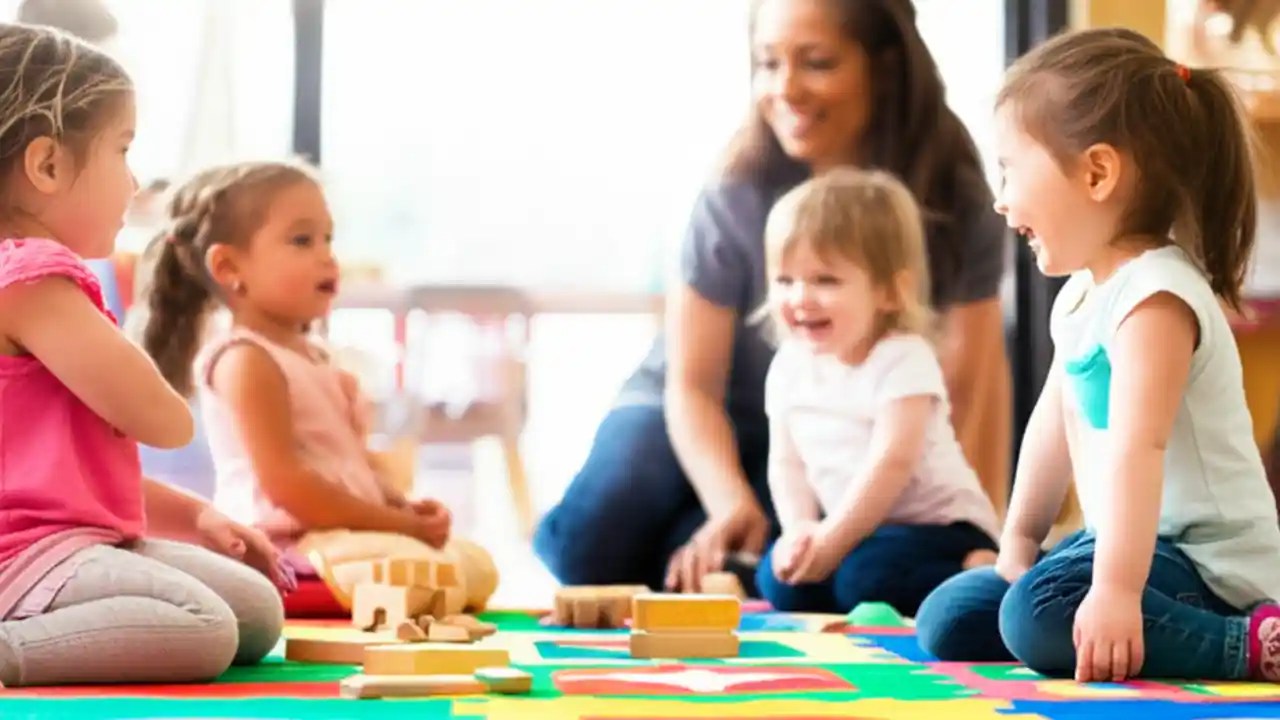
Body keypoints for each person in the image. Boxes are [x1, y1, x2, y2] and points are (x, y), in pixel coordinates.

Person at [534, 0, 1011, 594]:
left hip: (834, 435)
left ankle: (711, 550)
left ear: (885, 66)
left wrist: (985, 535)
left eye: (817, 63)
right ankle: (712, 537)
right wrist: (729, 502)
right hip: (690, 410)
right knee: (588, 548)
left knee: (809, 561)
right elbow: (693, 385)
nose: (785, 88)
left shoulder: (956, 200)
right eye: (767, 63)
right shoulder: (736, 190)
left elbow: (971, 385)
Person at [915, 27, 1280, 683]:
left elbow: (1140, 449)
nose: (1000, 198)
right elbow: (1051, 427)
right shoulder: (1084, 295)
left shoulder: (1157, 299)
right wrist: (1019, 539)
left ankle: (1248, 644)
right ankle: (1088, 616)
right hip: (1129, 544)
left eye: (1010, 168)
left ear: (1097, 173)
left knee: (1037, 614)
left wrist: (1113, 590)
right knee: (950, 617)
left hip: (1207, 564)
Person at [0, 24, 291, 687]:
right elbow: (162, 421)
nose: (134, 183)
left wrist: (196, 515)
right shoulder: (31, 282)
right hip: (21, 560)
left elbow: (72, 471)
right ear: (48, 166)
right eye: (122, 150)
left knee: (254, 612)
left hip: (62, 544)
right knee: (206, 629)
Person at [136, 160, 497, 611]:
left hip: (340, 536)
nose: (327, 256)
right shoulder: (246, 359)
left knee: (474, 564)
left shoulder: (317, 359)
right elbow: (288, 487)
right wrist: (399, 527)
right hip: (287, 545)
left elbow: (350, 465)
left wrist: (403, 509)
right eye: (302, 240)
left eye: (328, 239)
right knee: (423, 572)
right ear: (229, 267)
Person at [754, 168, 999, 616]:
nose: (801, 297)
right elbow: (786, 463)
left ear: (888, 292)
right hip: (858, 531)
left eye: (825, 280)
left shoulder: (903, 358)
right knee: (779, 579)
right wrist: (800, 531)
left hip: (937, 527)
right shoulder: (789, 366)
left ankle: (978, 569)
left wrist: (833, 540)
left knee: (865, 579)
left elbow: (893, 462)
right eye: (786, 280)